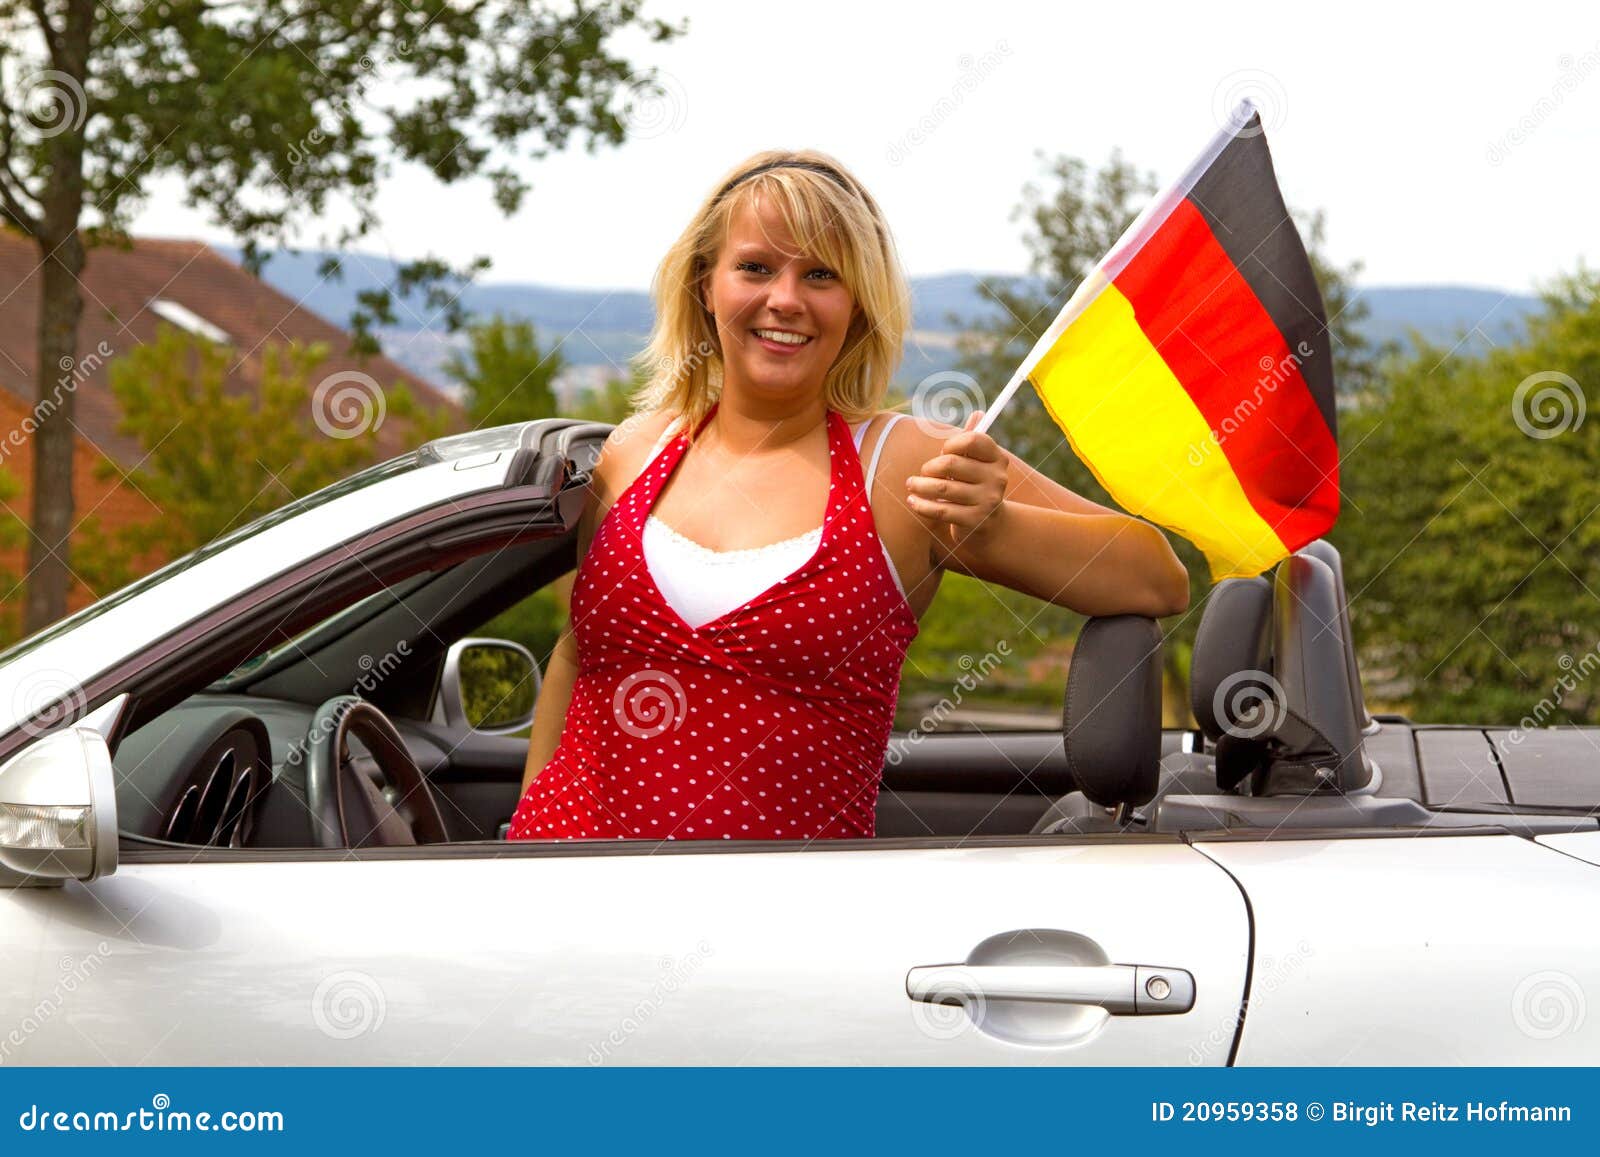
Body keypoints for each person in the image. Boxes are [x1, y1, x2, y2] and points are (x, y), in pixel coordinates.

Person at [507, 149, 1189, 841]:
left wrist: (996, 526)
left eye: (821, 274)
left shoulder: (908, 463)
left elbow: (1158, 577)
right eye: (756, 267)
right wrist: (524, 842)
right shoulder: (632, 451)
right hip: (561, 894)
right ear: (704, 284)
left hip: (802, 910)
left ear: (858, 304)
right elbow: (576, 657)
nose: (785, 299)